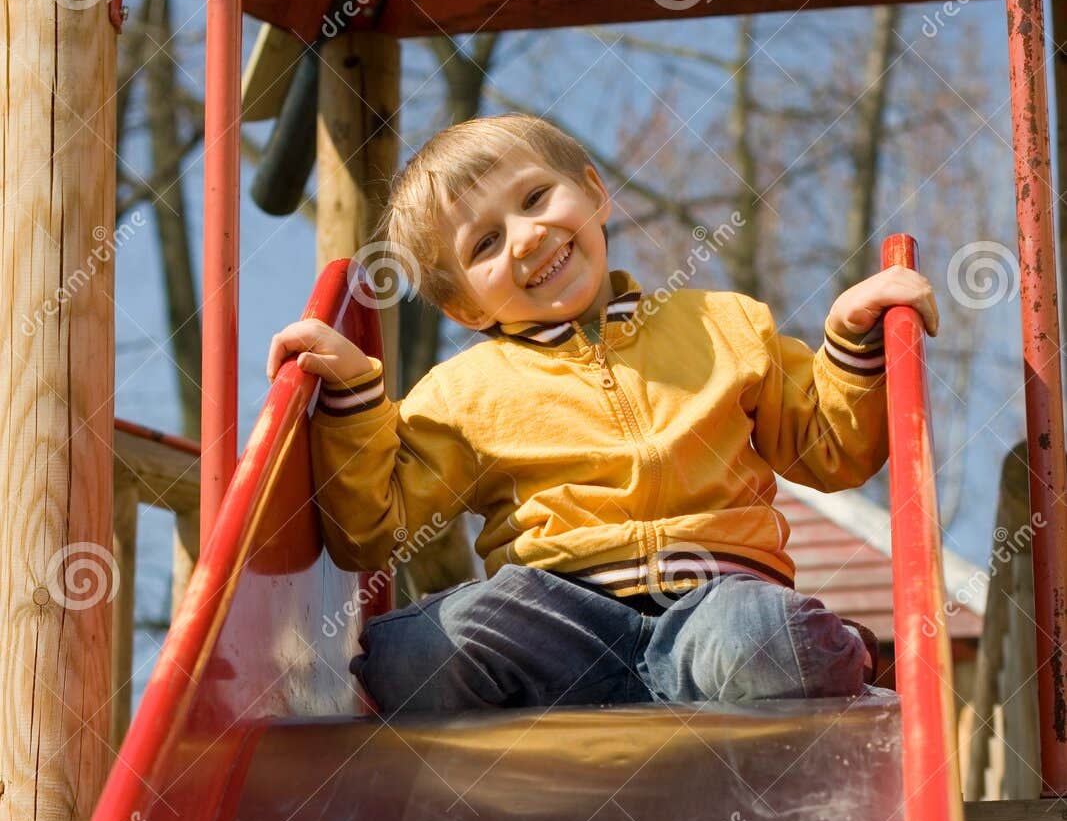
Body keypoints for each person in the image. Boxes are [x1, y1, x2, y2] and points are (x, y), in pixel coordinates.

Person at [266, 114, 939, 718]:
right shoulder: (463, 391)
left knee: (763, 642)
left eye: (534, 198)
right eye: (484, 244)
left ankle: (825, 650)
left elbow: (830, 451)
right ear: (464, 308)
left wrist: (852, 342)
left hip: (712, 601)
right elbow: (372, 534)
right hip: (557, 621)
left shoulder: (723, 324)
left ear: (594, 191)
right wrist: (353, 396)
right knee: (411, 653)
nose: (526, 239)